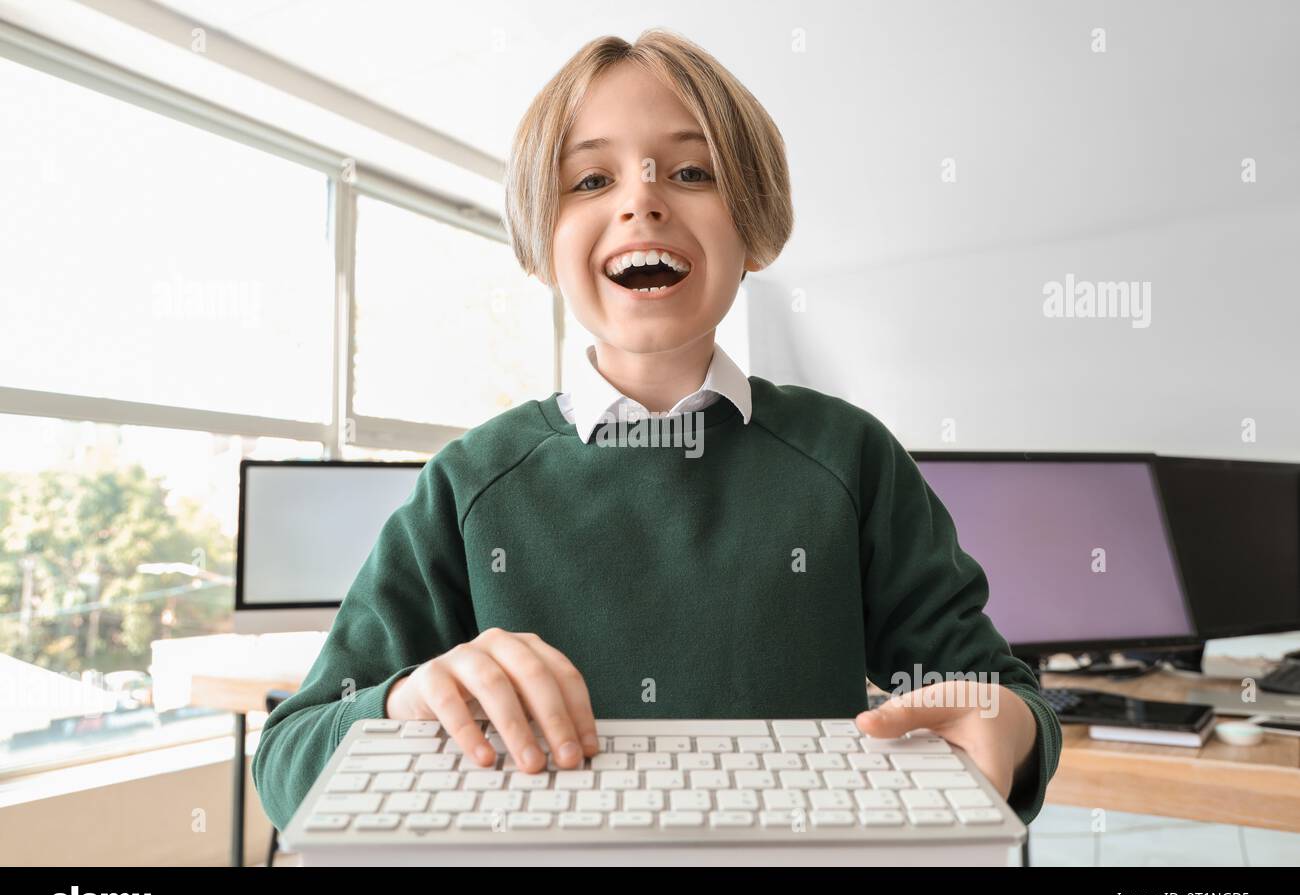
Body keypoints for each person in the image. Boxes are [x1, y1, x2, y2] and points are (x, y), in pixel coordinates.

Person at [252, 29, 1061, 834]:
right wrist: (402, 699)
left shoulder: (849, 458)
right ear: (541, 245)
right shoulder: (468, 483)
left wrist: (1012, 727)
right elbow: (291, 753)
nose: (642, 199)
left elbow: (994, 692)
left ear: (752, 226)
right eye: (592, 178)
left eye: (691, 171)